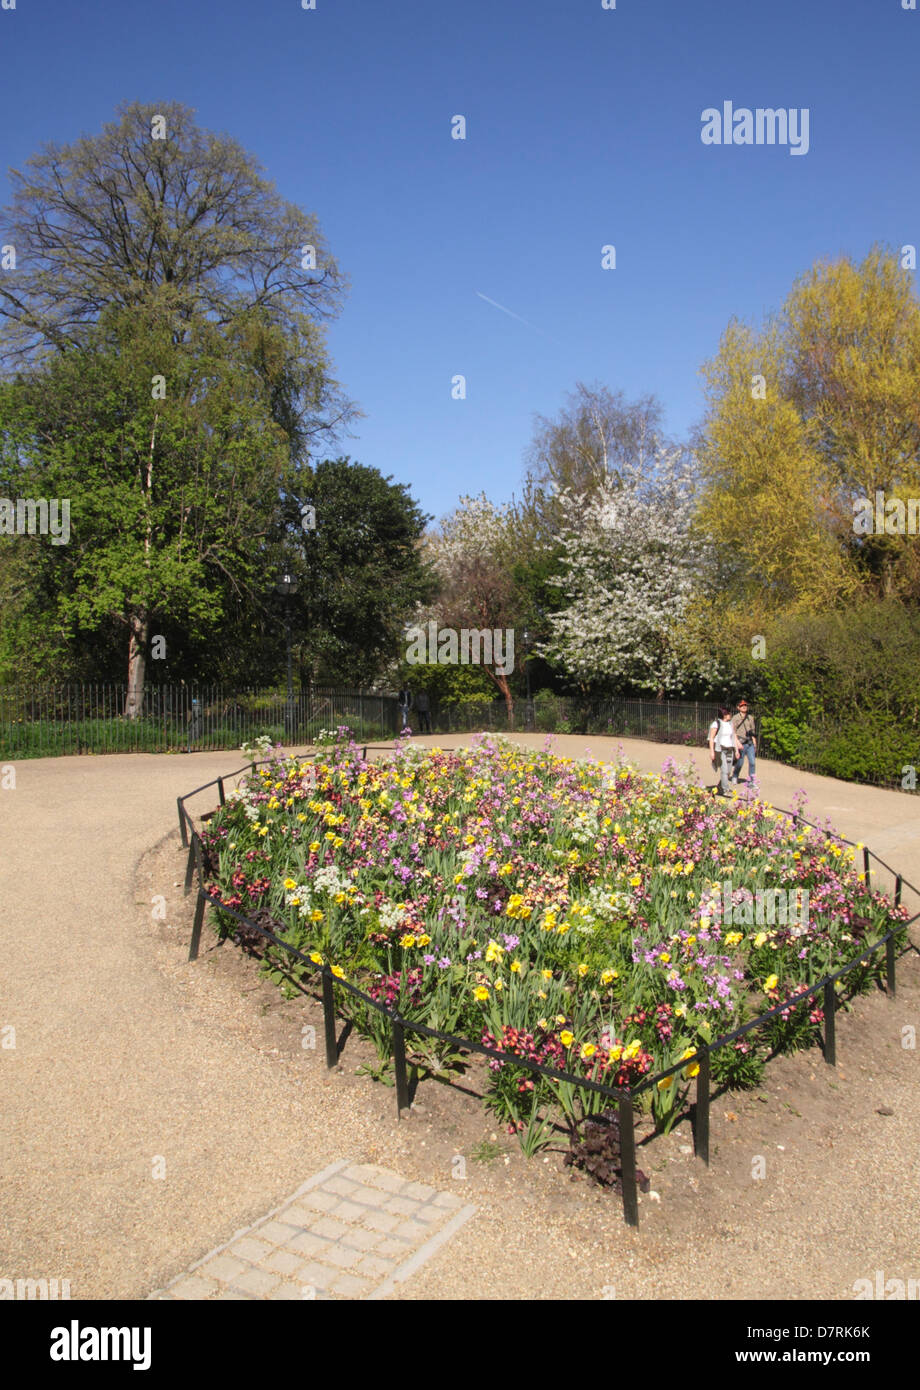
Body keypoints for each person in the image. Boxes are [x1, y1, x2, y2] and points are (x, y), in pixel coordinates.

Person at [708, 704, 740, 796]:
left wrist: (736, 750)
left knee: (728, 771)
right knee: (724, 770)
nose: (730, 715)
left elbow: (734, 737)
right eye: (729, 713)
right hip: (720, 749)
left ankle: (720, 787)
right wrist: (712, 752)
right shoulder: (716, 724)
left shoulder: (731, 724)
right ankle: (725, 789)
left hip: (729, 749)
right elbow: (711, 738)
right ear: (725, 714)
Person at [731, 698, 757, 785]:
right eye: (742, 705)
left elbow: (753, 731)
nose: (744, 707)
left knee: (752, 762)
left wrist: (755, 743)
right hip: (740, 742)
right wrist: (736, 743)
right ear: (738, 707)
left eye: (745, 705)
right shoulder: (735, 718)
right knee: (740, 763)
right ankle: (735, 775)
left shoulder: (750, 718)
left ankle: (752, 781)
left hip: (750, 743)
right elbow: (733, 732)